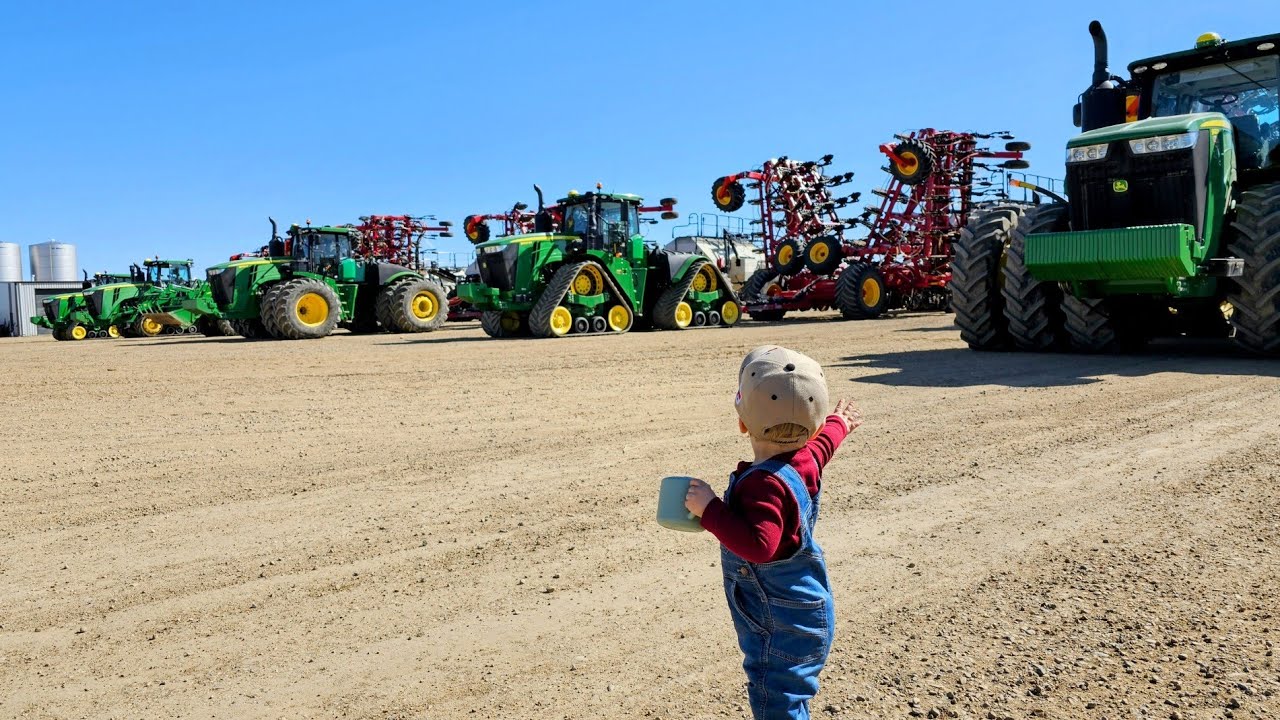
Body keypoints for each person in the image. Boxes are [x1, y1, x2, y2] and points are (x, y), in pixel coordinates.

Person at [684, 345, 863, 719]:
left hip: (780, 620)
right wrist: (839, 424)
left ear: (743, 423)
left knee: (776, 701)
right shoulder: (807, 458)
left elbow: (760, 546)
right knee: (788, 700)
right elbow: (825, 443)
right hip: (804, 606)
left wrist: (711, 510)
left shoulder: (762, 484)